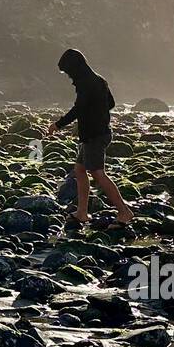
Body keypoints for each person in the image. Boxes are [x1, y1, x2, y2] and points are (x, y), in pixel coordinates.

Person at [43, 48, 135, 228]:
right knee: (79, 170)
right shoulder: (99, 80)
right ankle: (82, 213)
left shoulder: (86, 84)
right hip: (94, 134)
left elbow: (78, 109)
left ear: (75, 68)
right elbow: (111, 103)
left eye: (68, 72)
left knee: (98, 174)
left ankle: (124, 211)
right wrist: (94, 115)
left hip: (95, 136)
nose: (69, 77)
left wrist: (57, 125)